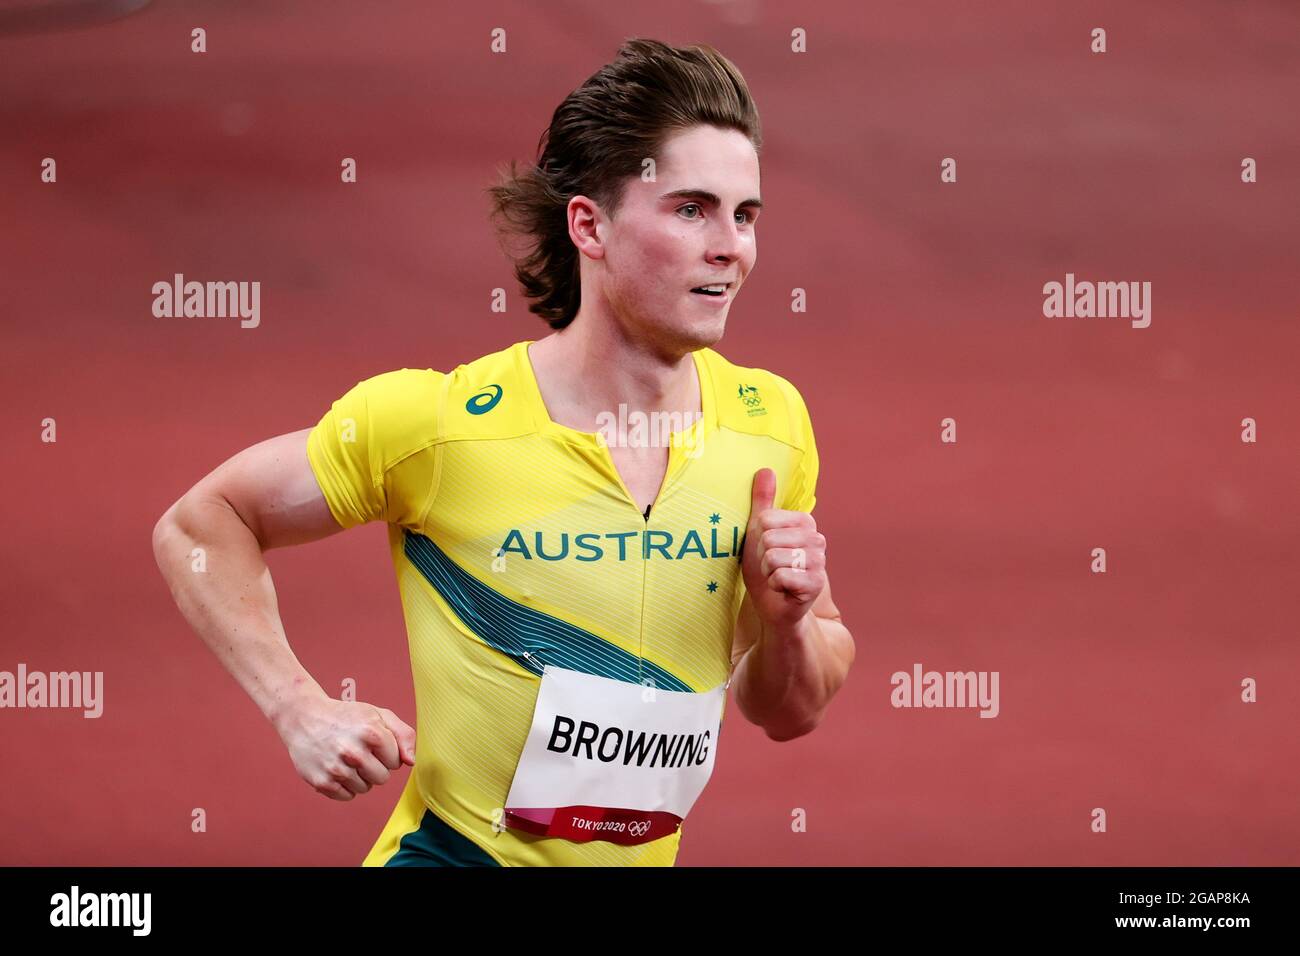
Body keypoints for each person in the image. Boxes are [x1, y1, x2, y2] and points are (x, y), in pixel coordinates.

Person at [152, 37, 854, 867]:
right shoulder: (440, 425)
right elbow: (203, 523)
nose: (730, 246)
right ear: (590, 225)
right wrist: (298, 707)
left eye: (745, 215)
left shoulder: (769, 426)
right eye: (691, 209)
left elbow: (790, 711)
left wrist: (786, 624)